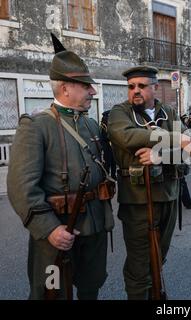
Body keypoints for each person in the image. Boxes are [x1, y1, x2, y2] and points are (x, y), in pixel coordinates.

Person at [7, 35, 114, 300]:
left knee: (91, 287)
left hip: (95, 228)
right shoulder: (36, 126)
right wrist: (50, 229)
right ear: (66, 88)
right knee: (51, 291)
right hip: (57, 231)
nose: (94, 91)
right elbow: (21, 188)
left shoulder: (91, 125)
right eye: (87, 86)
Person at [107, 66, 191, 299]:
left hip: (169, 196)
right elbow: (127, 137)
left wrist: (162, 154)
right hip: (138, 201)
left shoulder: (169, 112)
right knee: (139, 266)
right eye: (131, 87)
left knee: (159, 257)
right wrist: (176, 140)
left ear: (156, 87)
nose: (135, 91)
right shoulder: (120, 113)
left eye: (142, 86)